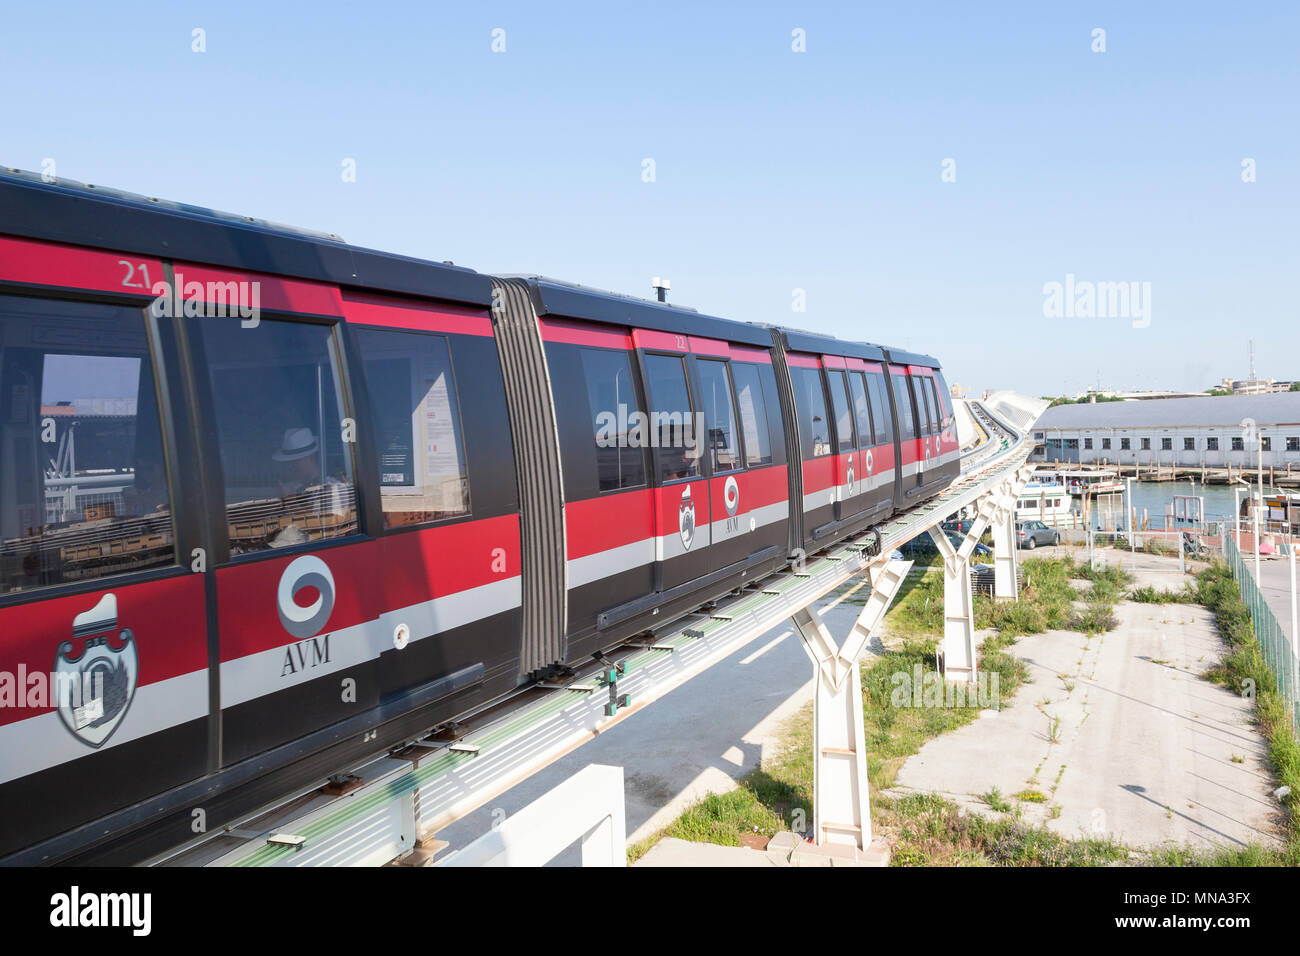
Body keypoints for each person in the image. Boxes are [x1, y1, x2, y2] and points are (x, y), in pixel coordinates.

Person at [269, 427, 348, 548]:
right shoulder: (298, 487)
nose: (290, 467)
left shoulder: (333, 488)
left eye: (294, 462)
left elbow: (330, 529)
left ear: (309, 458)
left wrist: (291, 503)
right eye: (288, 463)